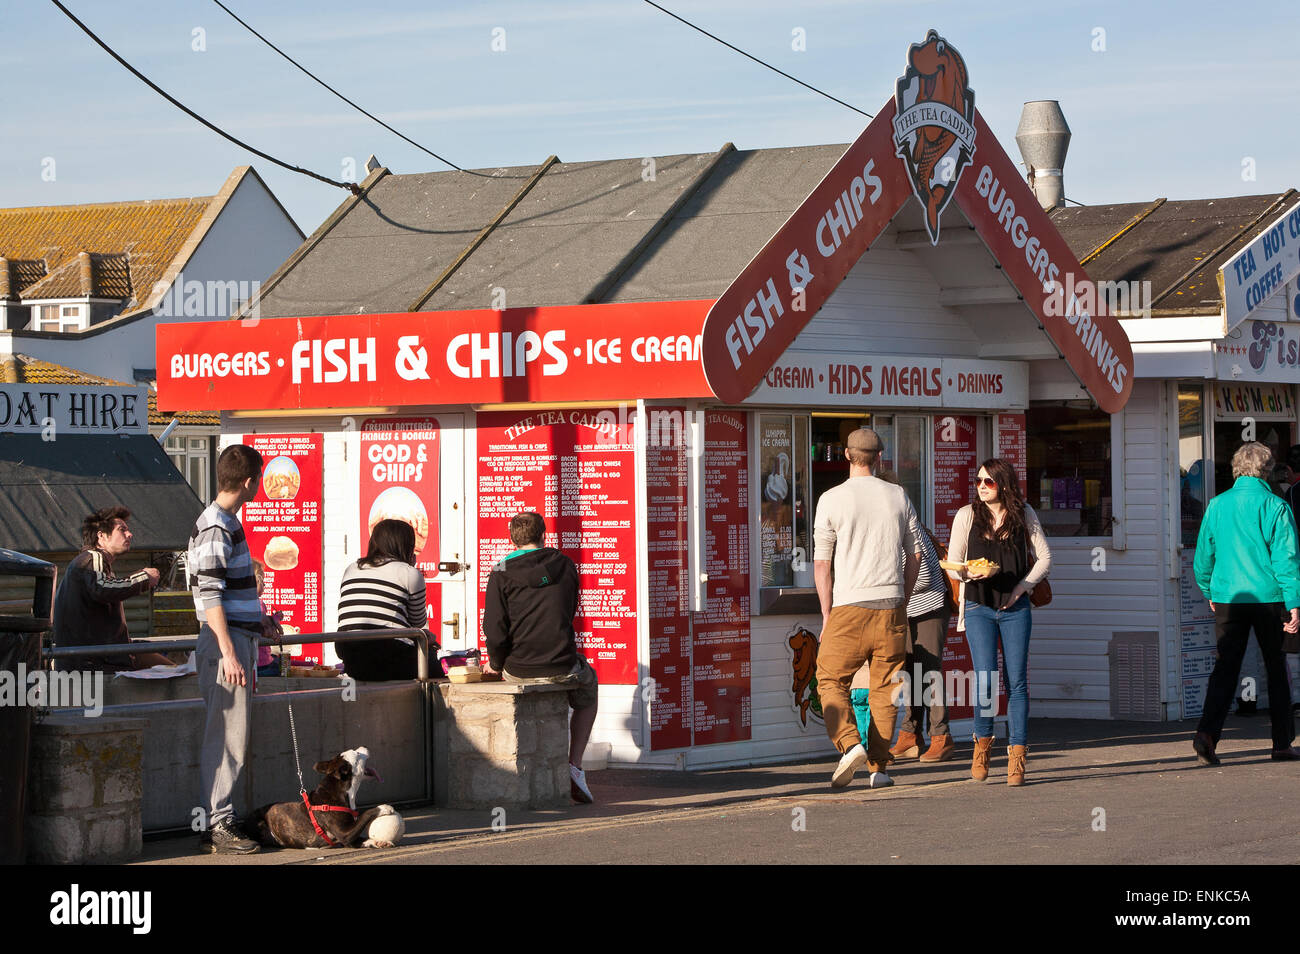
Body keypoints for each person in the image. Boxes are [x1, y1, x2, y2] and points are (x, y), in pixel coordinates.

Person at [813, 428, 921, 790]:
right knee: (885, 689)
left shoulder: (831, 498)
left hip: (849, 606)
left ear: (846, 455)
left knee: (829, 678)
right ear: (879, 457)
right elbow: (916, 555)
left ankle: (849, 745)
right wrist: (902, 598)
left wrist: (827, 615)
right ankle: (879, 768)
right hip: (890, 605)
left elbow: (821, 565)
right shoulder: (898, 495)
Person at [1192, 442, 1300, 765]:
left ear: (1237, 469)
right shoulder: (1276, 506)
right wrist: (1294, 602)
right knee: (1276, 668)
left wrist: (1209, 590)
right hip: (1269, 598)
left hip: (1229, 598)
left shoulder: (1216, 506)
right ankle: (1281, 743)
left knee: (1225, 667)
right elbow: (1286, 559)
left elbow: (1203, 558)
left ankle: (1207, 733)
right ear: (1266, 470)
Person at [947, 458, 1051, 787]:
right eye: (978, 481)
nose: (981, 487)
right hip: (978, 605)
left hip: (1015, 608)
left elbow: (1046, 557)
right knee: (986, 680)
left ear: (1004, 485)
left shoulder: (1025, 514)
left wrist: (1022, 588)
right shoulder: (967, 515)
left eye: (988, 482)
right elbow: (952, 563)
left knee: (1016, 682)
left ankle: (1017, 756)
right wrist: (967, 572)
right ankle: (982, 745)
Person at [483, 511, 599, 804]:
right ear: (543, 534)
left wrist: (496, 664)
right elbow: (568, 610)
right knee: (589, 688)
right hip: (562, 663)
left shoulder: (500, 572)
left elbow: (495, 631)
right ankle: (574, 765)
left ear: (511, 538)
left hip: (519, 667)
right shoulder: (566, 564)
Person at [189, 443, 268, 854]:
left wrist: (258, 620)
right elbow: (210, 594)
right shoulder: (219, 527)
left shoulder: (218, 522)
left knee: (227, 735)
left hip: (233, 637)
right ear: (249, 482)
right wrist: (229, 651)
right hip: (227, 643)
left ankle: (217, 818)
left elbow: (223, 590)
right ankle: (219, 822)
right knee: (227, 737)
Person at [51, 506, 166, 672]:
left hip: (92, 660)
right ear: (101, 536)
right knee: (180, 678)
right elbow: (102, 588)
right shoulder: (93, 557)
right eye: (122, 530)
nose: (129, 534)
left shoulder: (88, 562)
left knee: (167, 666)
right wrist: (144, 578)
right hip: (94, 664)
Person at [337, 519, 428, 680]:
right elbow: (418, 622)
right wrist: (410, 567)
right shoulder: (409, 574)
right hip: (390, 654)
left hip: (350, 654)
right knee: (432, 655)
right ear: (406, 546)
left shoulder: (352, 569)